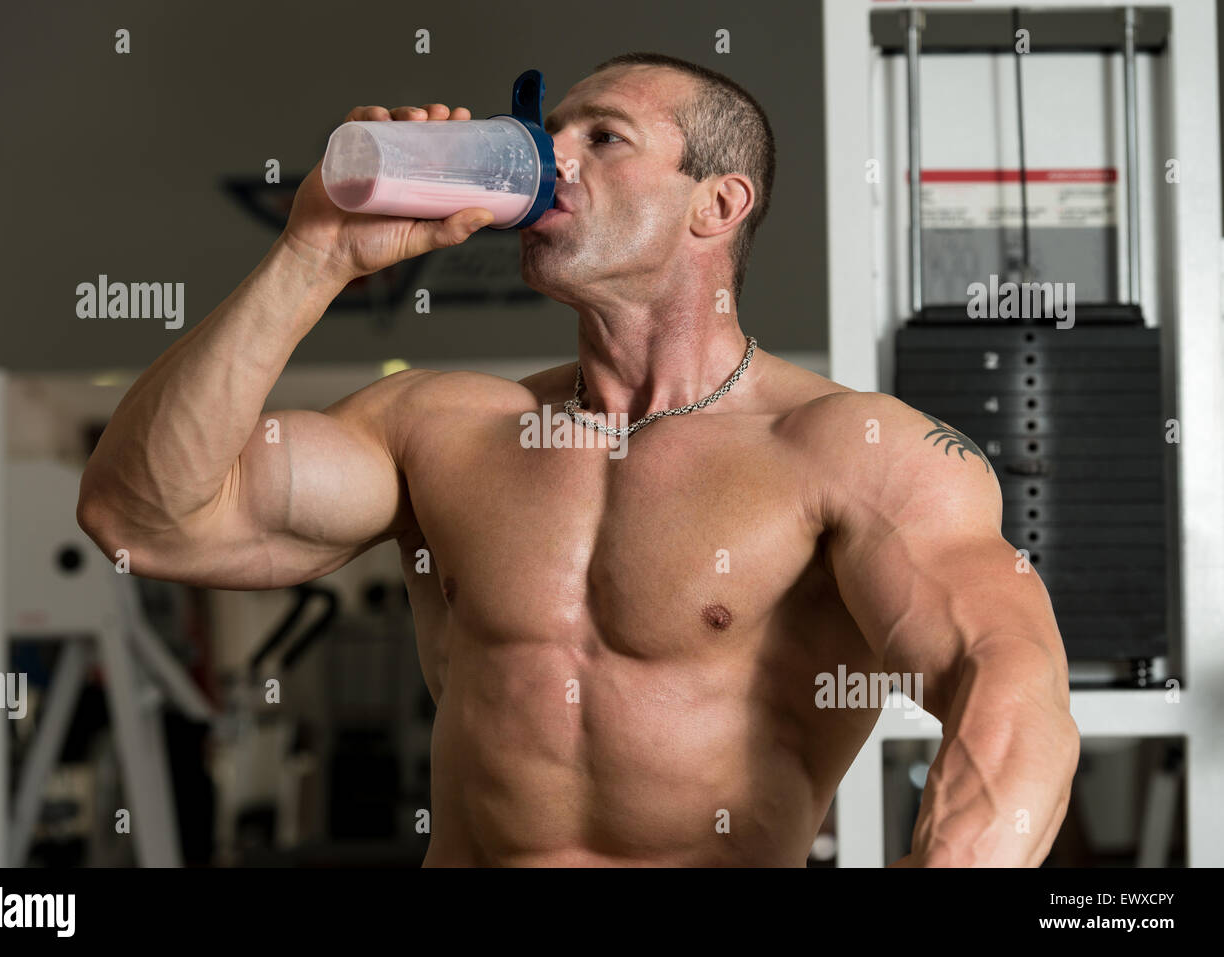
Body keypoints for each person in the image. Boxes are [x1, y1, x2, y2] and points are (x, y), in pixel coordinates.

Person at [78, 52, 1080, 866]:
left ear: (716, 206)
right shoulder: (442, 428)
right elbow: (142, 518)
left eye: (603, 138)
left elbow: (1009, 685)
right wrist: (314, 257)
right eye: (551, 134)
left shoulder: (846, 451)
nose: (553, 158)